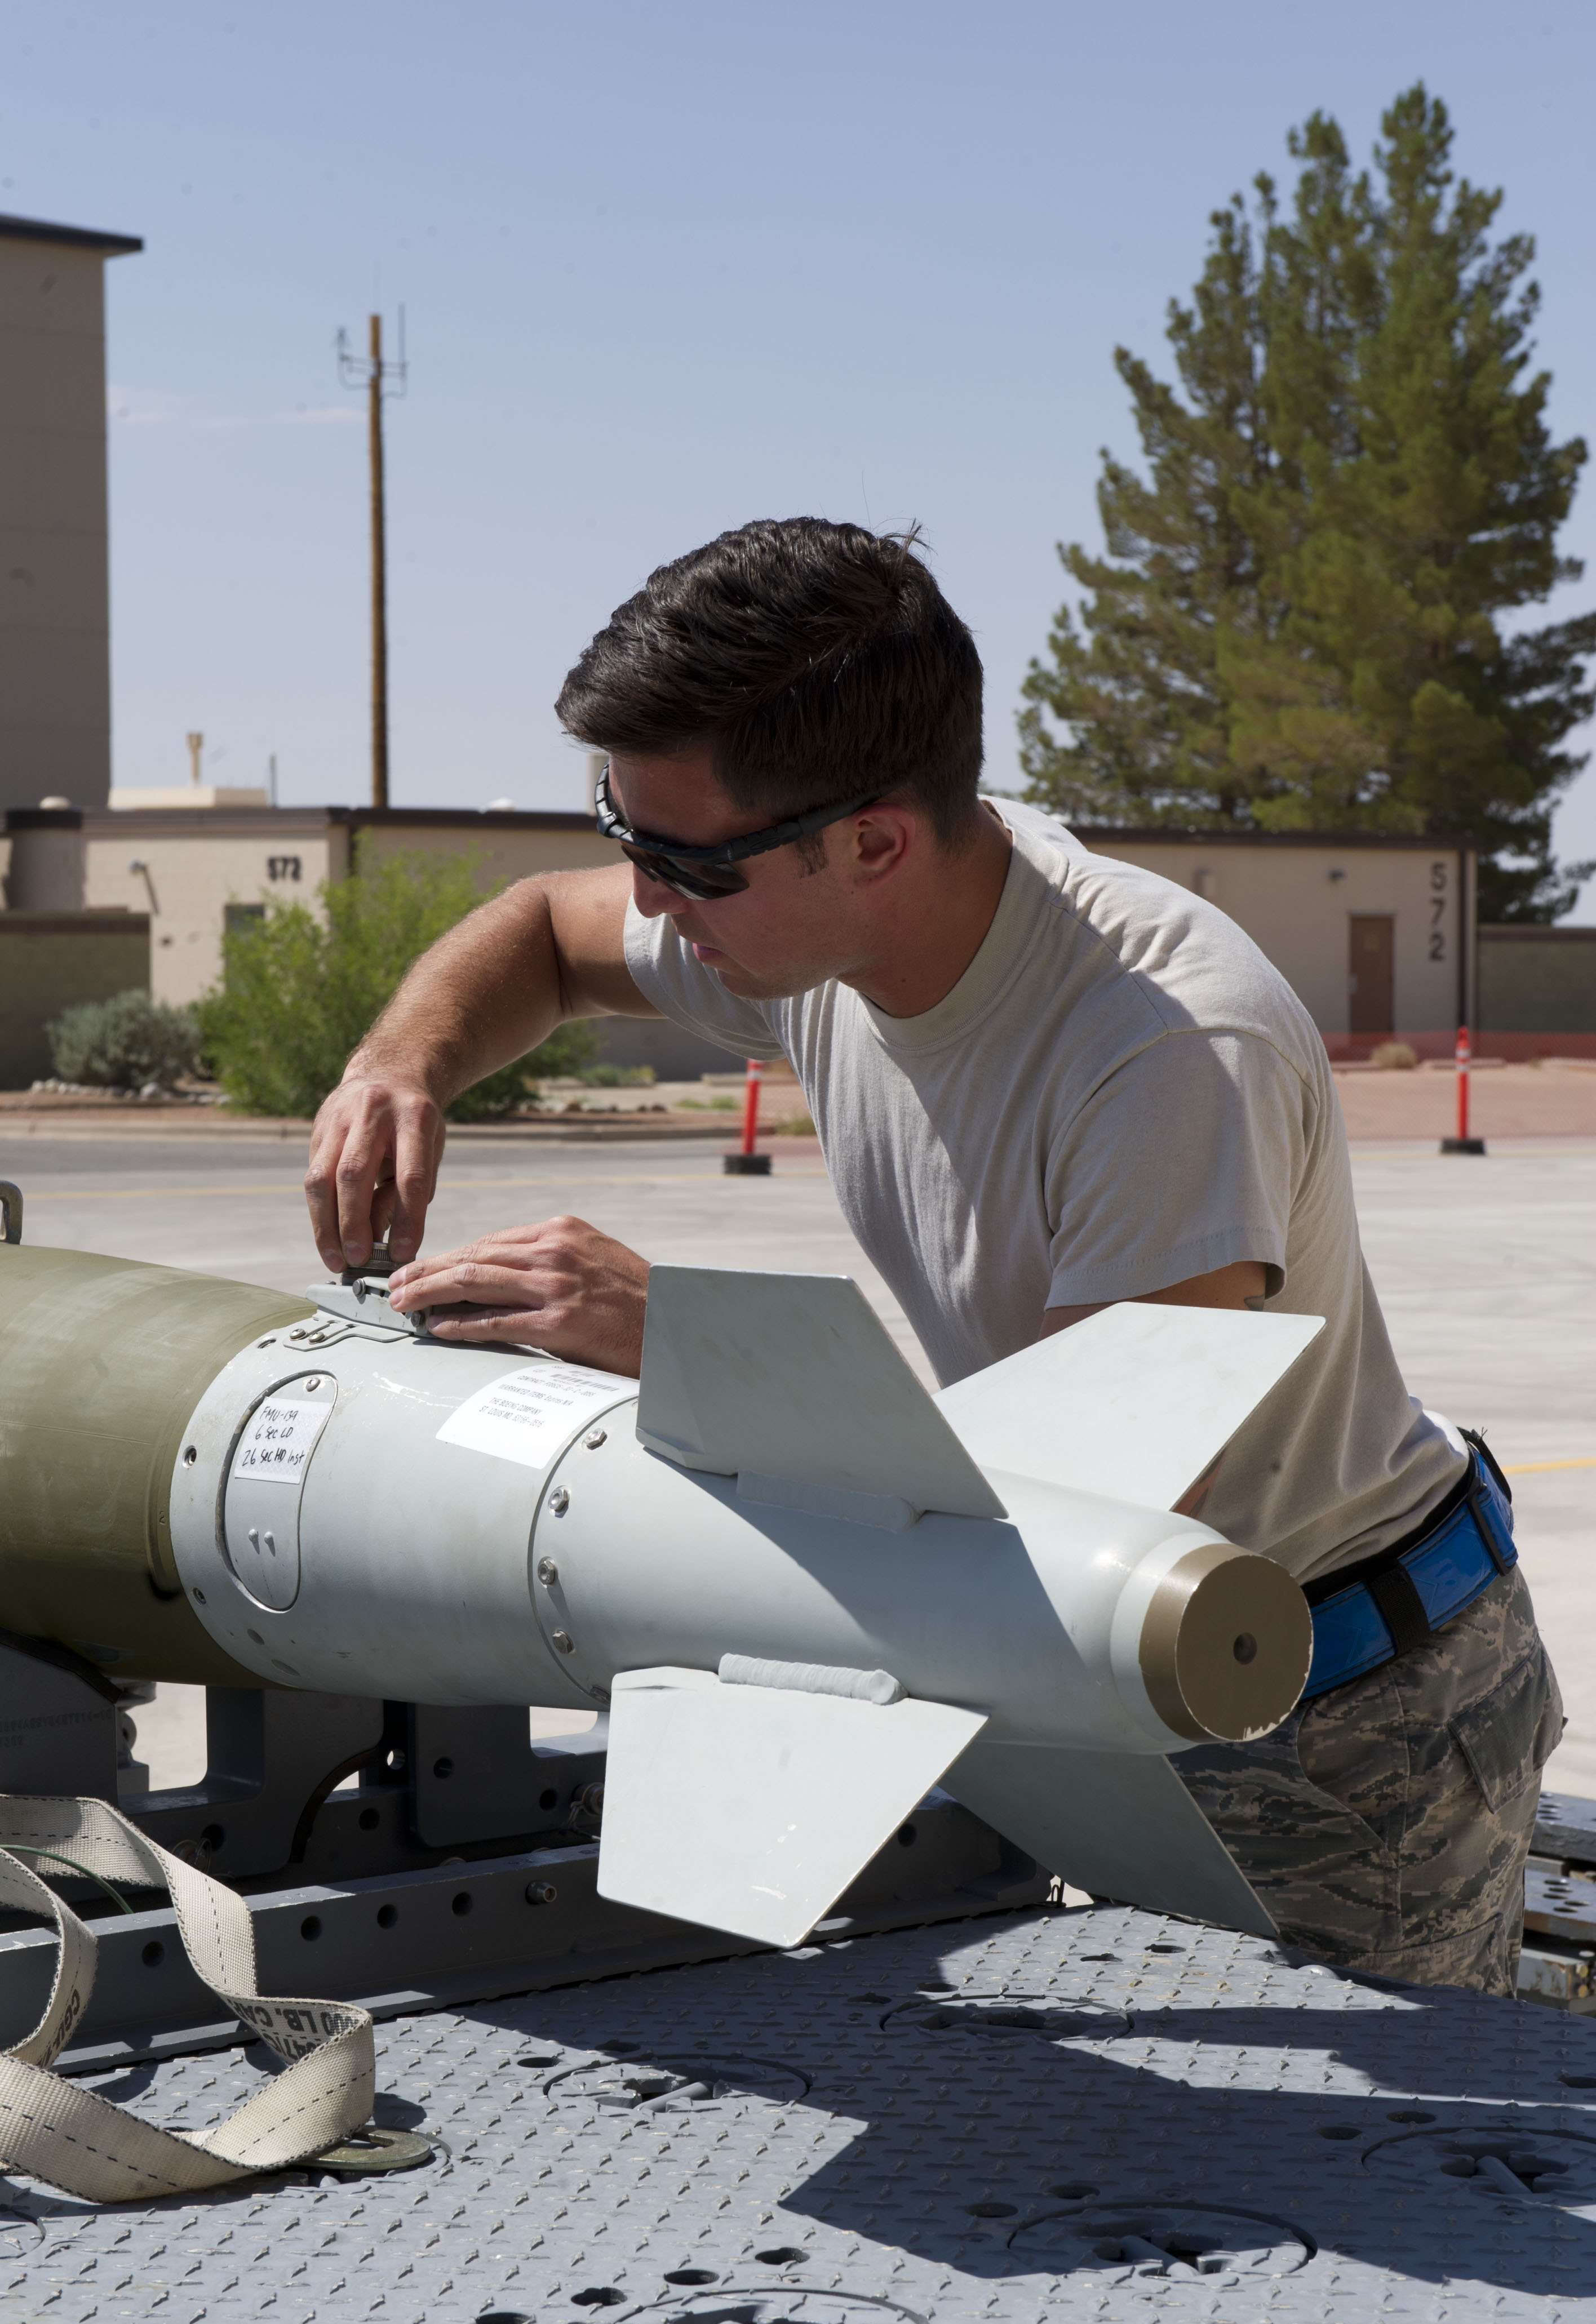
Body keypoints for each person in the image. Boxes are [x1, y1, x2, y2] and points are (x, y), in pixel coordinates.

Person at [305, 516, 1560, 1995]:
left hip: (1335, 1717)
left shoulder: (1163, 1060)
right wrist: (400, 1067)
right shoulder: (828, 920)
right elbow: (538, 932)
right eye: (620, 833)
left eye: (681, 860)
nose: (646, 898)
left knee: (1368, 2190)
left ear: (876, 840)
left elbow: (1096, 1525)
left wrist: (697, 1347)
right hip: (1115, 1699)